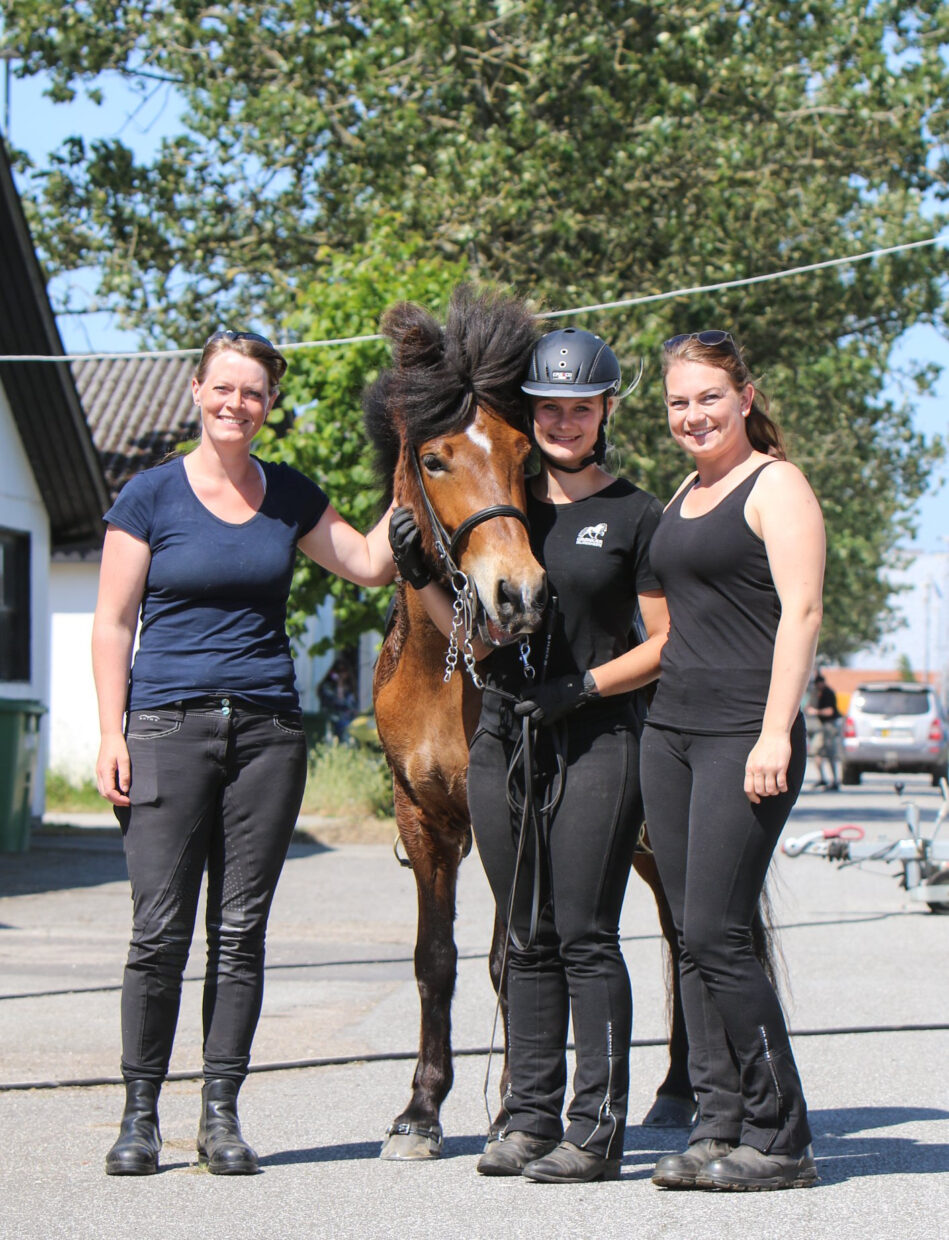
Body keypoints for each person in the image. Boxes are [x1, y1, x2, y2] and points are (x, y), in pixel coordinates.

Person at [92, 329, 396, 1176]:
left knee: (239, 931)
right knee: (158, 933)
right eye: (224, 388)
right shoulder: (148, 496)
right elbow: (114, 624)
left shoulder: (288, 495)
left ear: (269, 405)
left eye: (253, 392)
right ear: (197, 390)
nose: (237, 405)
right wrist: (111, 731)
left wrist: (419, 465)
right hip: (163, 729)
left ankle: (220, 1115)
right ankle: (140, 1117)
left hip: (266, 732)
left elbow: (369, 565)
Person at [389, 327, 670, 1183]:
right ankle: (526, 1118)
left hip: (593, 734)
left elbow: (664, 639)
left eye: (580, 408)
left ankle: (597, 1127)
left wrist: (580, 691)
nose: (564, 422)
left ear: (604, 413)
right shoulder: (511, 506)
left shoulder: (632, 512)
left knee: (585, 934)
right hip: (506, 736)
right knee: (527, 932)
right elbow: (476, 647)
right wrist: (421, 575)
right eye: (550, 409)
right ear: (530, 416)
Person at [640, 329, 824, 1192]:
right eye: (678, 401)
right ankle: (718, 1122)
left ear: (744, 397)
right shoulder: (685, 489)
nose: (693, 414)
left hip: (742, 735)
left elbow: (802, 611)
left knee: (717, 930)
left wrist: (775, 732)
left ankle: (779, 1135)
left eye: (708, 397)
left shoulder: (774, 484)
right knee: (690, 937)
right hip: (670, 733)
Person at [807, 671, 841, 790]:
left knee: (831, 753)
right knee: (816, 751)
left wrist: (816, 712)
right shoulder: (815, 693)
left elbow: (830, 711)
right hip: (819, 727)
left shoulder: (828, 693)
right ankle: (822, 778)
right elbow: (808, 707)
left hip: (829, 726)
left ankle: (835, 780)